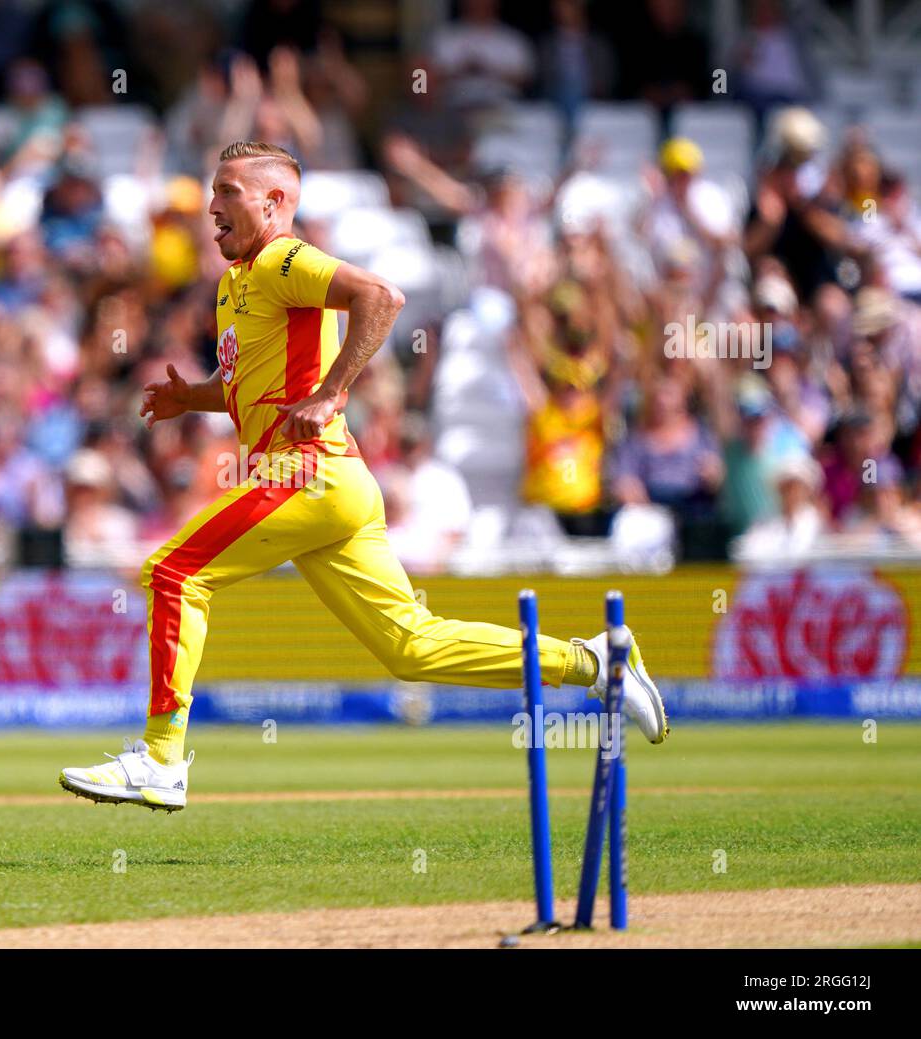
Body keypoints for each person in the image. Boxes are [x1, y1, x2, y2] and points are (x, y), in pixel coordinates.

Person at [59, 141, 669, 812]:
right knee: (411, 646)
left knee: (174, 573)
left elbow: (382, 295)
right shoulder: (237, 283)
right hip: (332, 485)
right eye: (214, 191)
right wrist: (194, 397)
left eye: (229, 191)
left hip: (309, 473)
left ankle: (161, 758)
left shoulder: (284, 257)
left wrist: (333, 390)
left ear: (274, 202)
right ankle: (595, 663)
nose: (213, 205)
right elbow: (255, 387)